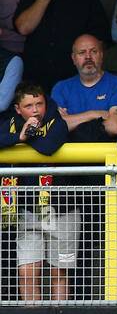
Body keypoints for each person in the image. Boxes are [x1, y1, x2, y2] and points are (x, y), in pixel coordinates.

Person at [0, 84, 70, 301]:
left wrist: (26, 138)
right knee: (28, 272)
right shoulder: (9, 125)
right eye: (29, 106)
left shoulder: (57, 122)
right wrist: (18, 137)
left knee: (58, 272)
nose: (36, 110)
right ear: (18, 109)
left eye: (39, 103)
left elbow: (48, 146)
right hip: (27, 212)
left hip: (62, 211)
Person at [50, 34, 117, 142]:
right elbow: (54, 128)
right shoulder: (61, 88)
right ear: (73, 58)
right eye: (82, 52)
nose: (88, 57)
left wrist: (71, 122)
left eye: (93, 51)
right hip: (69, 156)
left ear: (101, 55)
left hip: (105, 154)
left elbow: (114, 127)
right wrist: (94, 114)